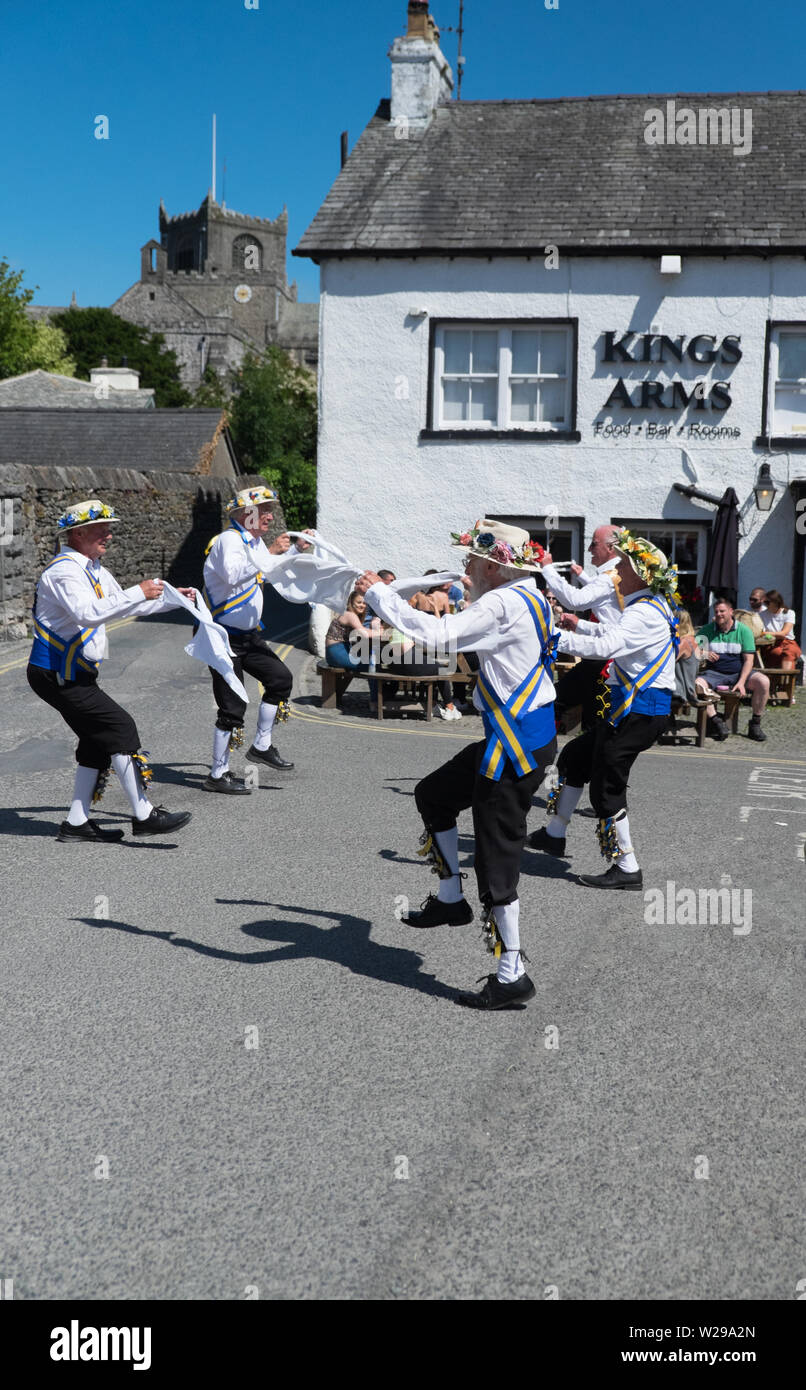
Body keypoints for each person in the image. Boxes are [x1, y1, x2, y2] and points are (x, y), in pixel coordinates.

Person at [359, 519, 556, 1011]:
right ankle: (450, 899)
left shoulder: (503, 601)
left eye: (472, 558)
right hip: (519, 738)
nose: (465, 564)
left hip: (513, 748)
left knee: (496, 863)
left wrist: (381, 596)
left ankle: (512, 973)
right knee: (433, 795)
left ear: (494, 564)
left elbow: (439, 634)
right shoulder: (529, 595)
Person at [27, 499, 194, 842]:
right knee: (119, 727)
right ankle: (144, 814)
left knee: (96, 741)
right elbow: (88, 613)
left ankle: (76, 823)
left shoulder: (94, 568)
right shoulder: (63, 571)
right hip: (57, 673)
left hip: (73, 673)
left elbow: (126, 604)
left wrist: (175, 598)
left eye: (109, 527)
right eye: (101, 528)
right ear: (78, 533)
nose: (110, 534)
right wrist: (139, 589)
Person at [530, 531, 678, 889]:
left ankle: (627, 868)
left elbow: (611, 643)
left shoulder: (643, 611)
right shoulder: (648, 606)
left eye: (624, 565)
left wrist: (556, 638)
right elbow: (617, 634)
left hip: (641, 711)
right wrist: (578, 625)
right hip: (635, 709)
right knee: (576, 757)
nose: (617, 569)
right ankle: (554, 833)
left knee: (607, 790)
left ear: (641, 574)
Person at [201, 486, 314, 791]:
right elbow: (232, 573)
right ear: (242, 514)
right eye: (262, 510)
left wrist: (294, 550)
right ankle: (217, 775)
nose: (269, 515)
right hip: (222, 637)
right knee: (232, 705)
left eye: (270, 509)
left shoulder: (254, 542)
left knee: (279, 679)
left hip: (249, 637)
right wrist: (273, 553)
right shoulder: (228, 540)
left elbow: (271, 572)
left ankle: (261, 746)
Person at [540, 524, 624, 731]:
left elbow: (575, 601)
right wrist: (580, 624)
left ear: (611, 547)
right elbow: (609, 619)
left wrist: (547, 568)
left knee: (595, 722)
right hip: (603, 656)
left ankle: (545, 747)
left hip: (607, 661)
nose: (589, 550)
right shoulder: (613, 574)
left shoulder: (610, 577)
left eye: (594, 544)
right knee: (568, 704)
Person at [695, 596, 769, 742]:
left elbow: (749, 660)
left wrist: (741, 682)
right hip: (714, 673)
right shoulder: (707, 630)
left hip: (739, 672)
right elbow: (695, 651)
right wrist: (705, 653)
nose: (719, 615)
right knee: (697, 685)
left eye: (722, 611)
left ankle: (755, 723)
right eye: (716, 612)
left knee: (764, 682)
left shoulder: (744, 631)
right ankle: (716, 722)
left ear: (731, 612)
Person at [759, 589, 801, 669]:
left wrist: (765, 633)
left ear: (776, 602)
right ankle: (786, 680)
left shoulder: (789, 613)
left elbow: (784, 634)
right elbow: (760, 632)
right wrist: (766, 634)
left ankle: (784, 680)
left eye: (767, 603)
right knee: (779, 653)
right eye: (764, 603)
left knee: (790, 651)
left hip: (788, 642)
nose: (765, 605)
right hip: (772, 643)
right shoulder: (762, 615)